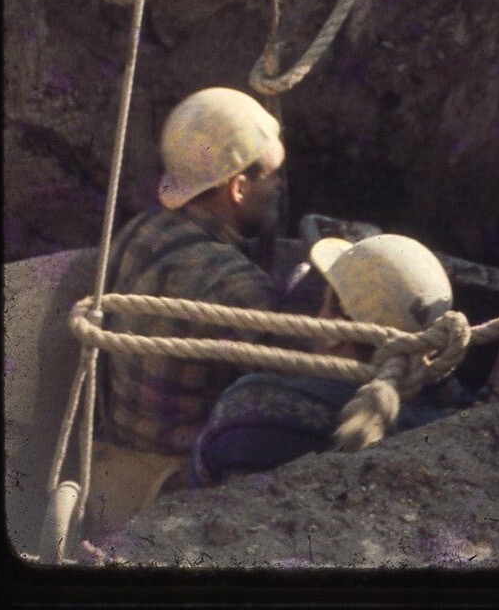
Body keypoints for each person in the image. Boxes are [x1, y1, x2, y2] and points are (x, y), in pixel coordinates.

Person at [86, 87, 285, 532]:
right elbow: (282, 395)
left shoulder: (140, 230)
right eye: (272, 175)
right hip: (170, 492)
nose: (279, 186)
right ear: (237, 188)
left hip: (108, 470)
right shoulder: (239, 286)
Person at [190, 234, 472, 486]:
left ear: (336, 333)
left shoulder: (251, 405)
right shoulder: (453, 430)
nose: (317, 316)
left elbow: (198, 483)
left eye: (324, 304)